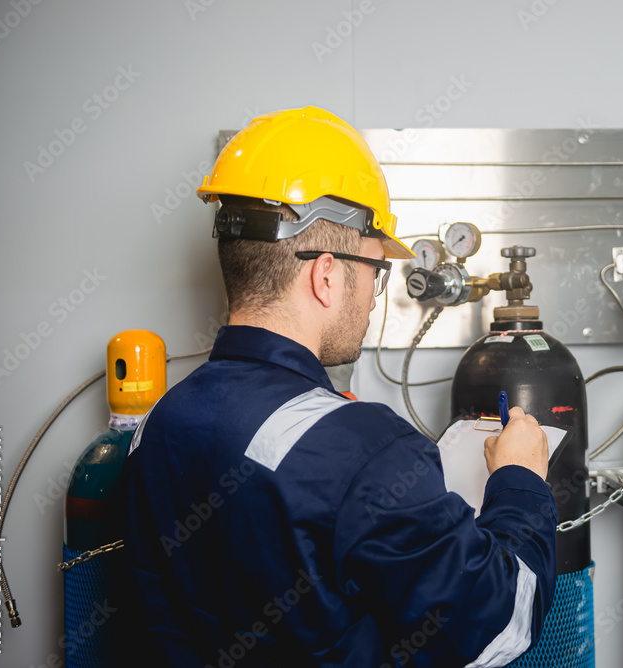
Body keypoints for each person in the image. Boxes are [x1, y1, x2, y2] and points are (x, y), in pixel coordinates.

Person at [122, 106, 557, 667]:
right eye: (376, 273)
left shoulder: (158, 424)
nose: (374, 296)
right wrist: (520, 481)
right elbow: (503, 624)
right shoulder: (363, 451)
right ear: (326, 275)